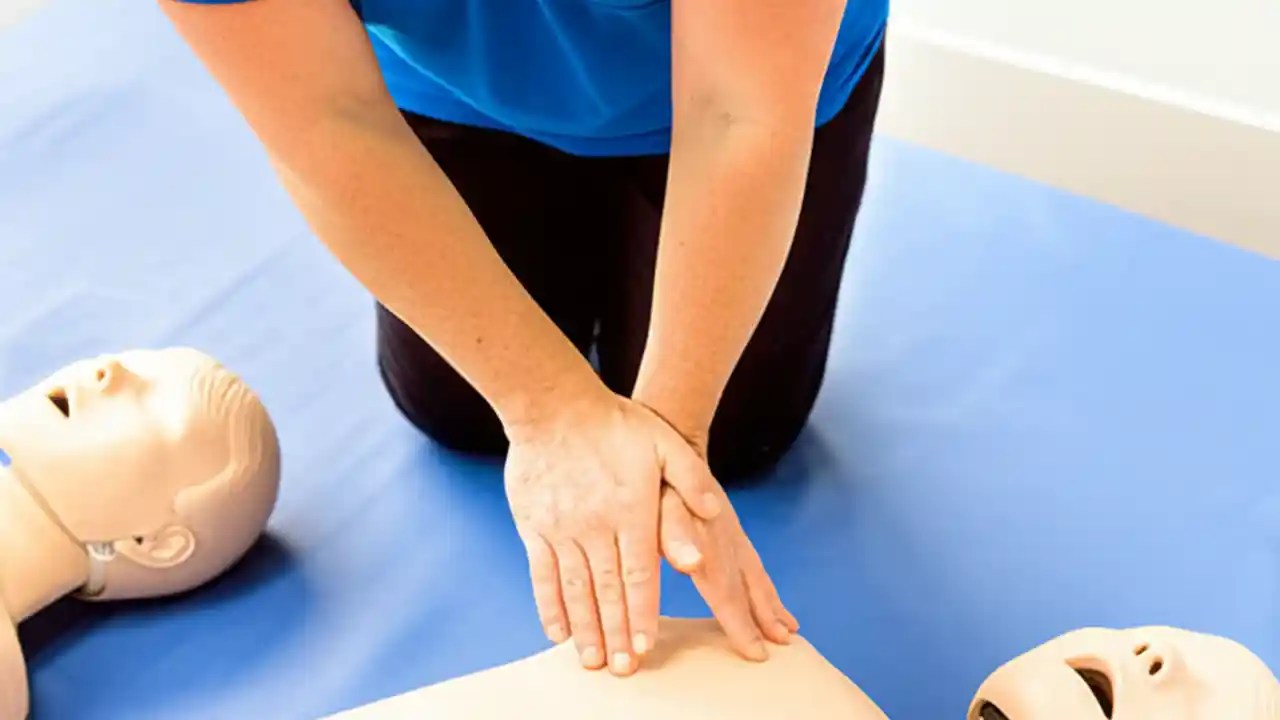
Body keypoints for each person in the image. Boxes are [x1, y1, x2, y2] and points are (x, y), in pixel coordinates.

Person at [159, 0, 888, 677]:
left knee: (737, 437)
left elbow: (737, 109)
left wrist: (676, 430)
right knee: (458, 411)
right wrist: (549, 410)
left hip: (748, 71)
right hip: (457, 83)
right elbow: (326, 123)